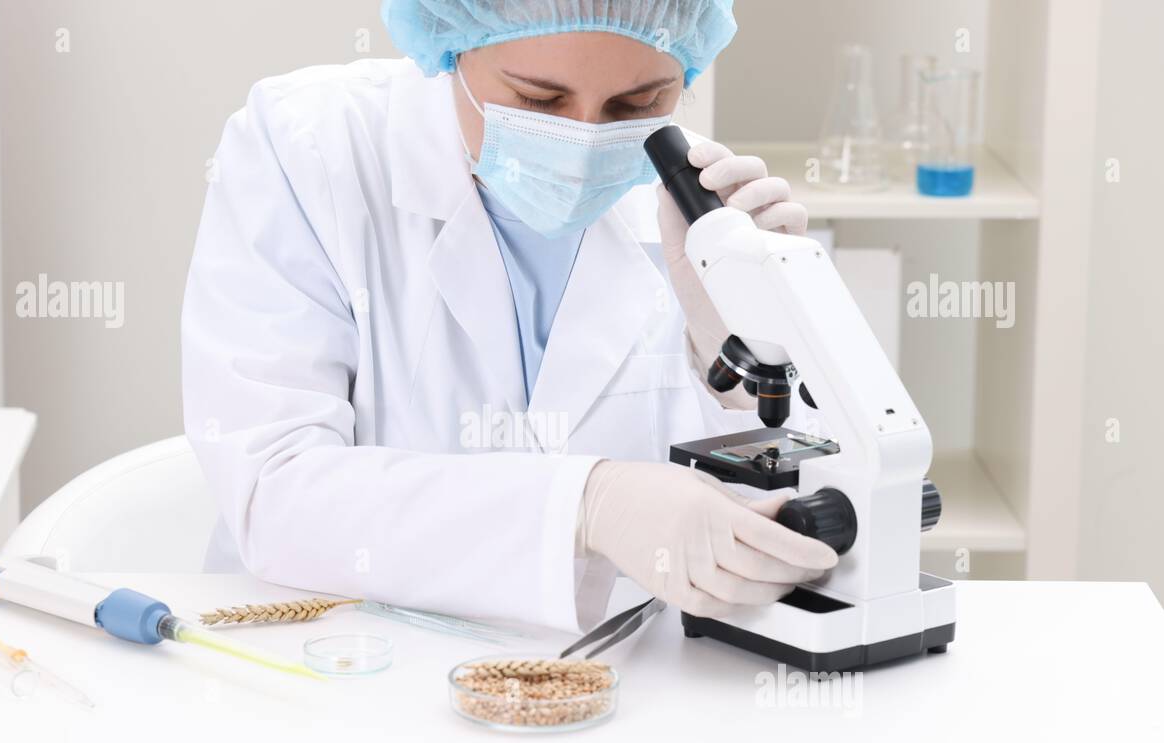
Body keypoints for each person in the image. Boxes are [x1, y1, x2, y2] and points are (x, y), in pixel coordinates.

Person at [181, 0, 837, 634]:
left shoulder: (699, 199)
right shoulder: (310, 150)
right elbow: (275, 493)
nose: (583, 140)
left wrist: (738, 351)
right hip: (339, 673)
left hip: (627, 697)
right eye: (539, 100)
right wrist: (584, 505)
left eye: (636, 105)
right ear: (454, 41)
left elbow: (791, 524)